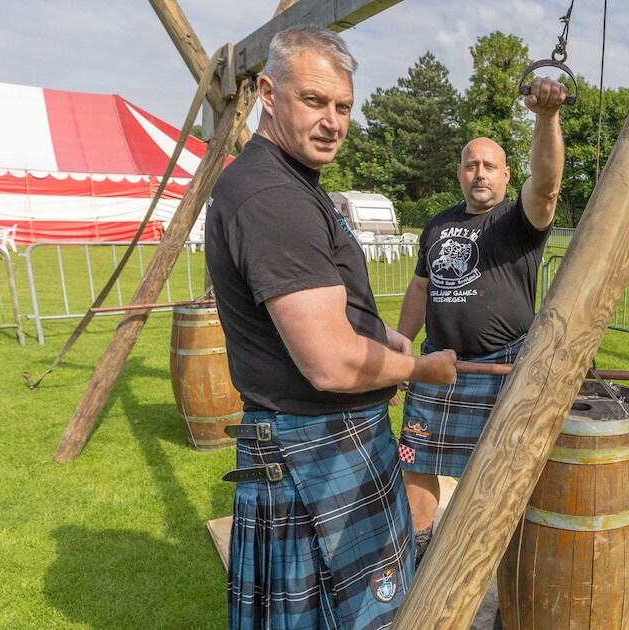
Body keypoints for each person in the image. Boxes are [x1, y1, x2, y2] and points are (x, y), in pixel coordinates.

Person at [204, 26, 457, 630]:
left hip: (331, 440)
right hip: (311, 450)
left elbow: (333, 315)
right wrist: (418, 367)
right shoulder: (272, 196)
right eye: (313, 101)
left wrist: (383, 340)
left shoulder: (294, 184)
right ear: (268, 91)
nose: (332, 121)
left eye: (343, 106)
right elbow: (330, 361)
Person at [394, 76, 569, 562]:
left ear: (507, 175)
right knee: (417, 464)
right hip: (437, 366)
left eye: (490, 166)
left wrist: (547, 117)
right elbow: (421, 287)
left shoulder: (518, 220)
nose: (480, 174)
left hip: (500, 367)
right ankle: (420, 558)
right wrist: (401, 345)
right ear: (459, 173)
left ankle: (500, 574)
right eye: (471, 165)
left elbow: (549, 185)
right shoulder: (438, 223)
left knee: (503, 478)